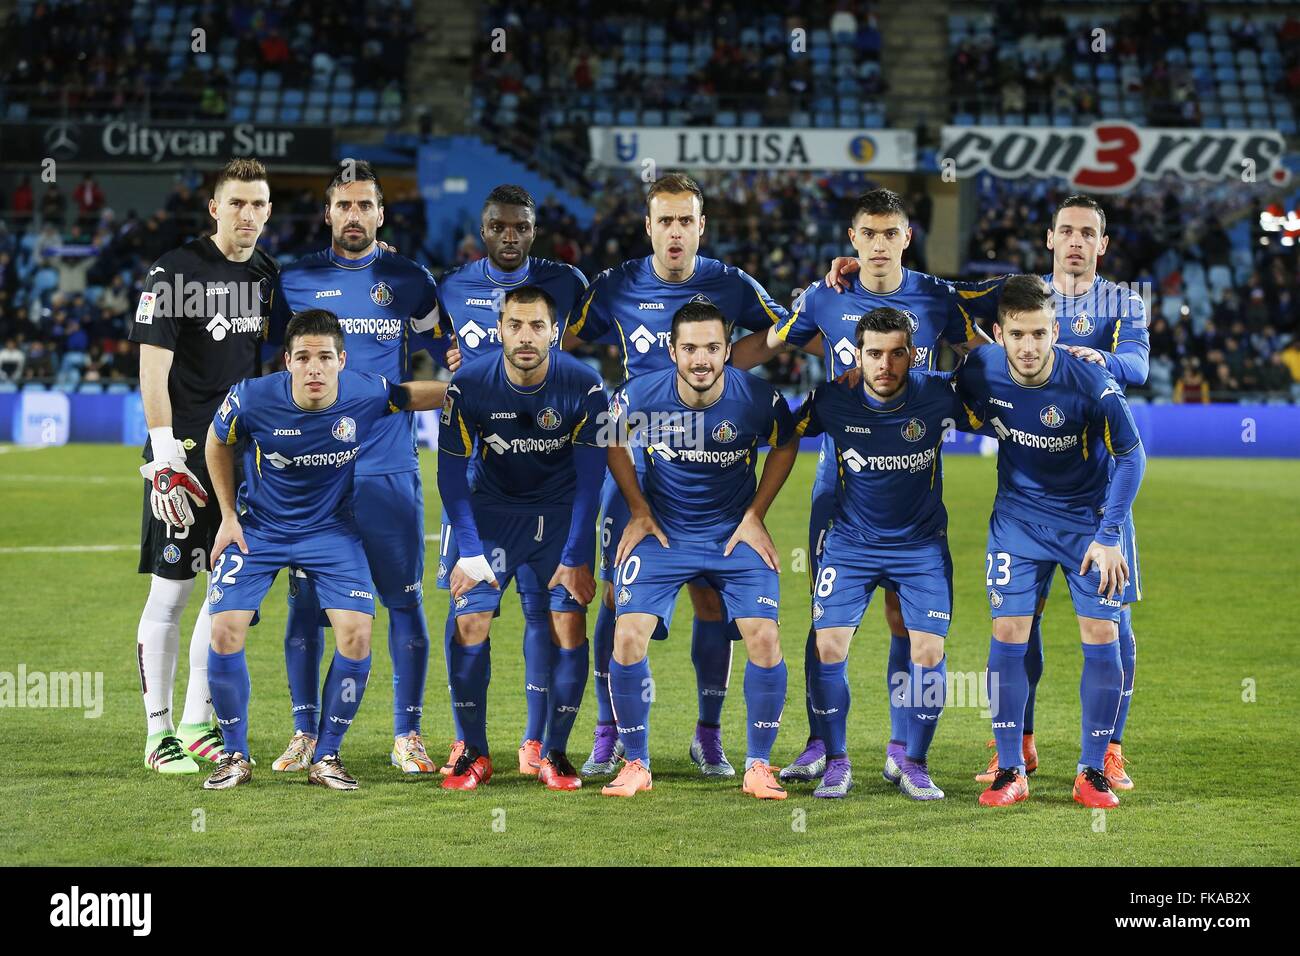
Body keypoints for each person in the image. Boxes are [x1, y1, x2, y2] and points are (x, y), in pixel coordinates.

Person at [563, 173, 806, 780]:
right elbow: (564, 338)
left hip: (713, 449)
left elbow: (782, 333)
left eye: (686, 221)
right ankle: (609, 733)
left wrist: (727, 363)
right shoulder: (615, 284)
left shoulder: (729, 283)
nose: (675, 231)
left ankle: (708, 734)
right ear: (649, 227)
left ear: (702, 226)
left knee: (711, 598)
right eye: (664, 220)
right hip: (639, 465)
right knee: (619, 600)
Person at [753, 187, 988, 785]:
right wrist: (709, 373)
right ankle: (818, 743)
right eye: (869, 235)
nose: (879, 245)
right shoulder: (824, 297)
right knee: (826, 614)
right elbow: (784, 338)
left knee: (903, 618)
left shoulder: (936, 297)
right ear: (851, 241)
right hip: (839, 472)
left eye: (891, 234)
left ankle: (902, 746)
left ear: (907, 238)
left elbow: (981, 354)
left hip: (909, 472)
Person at [948, 195, 1149, 791]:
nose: (1076, 241)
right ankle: (1016, 748)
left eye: (1088, 232)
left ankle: (1106, 751)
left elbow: (1135, 368)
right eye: (1067, 231)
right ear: (1050, 237)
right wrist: (869, 270)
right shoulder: (1018, 293)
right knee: (1016, 625)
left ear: (1101, 244)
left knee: (1113, 628)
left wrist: (1098, 359)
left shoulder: (1122, 303)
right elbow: (943, 297)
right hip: (1022, 508)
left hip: (1094, 497)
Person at [201, 309, 447, 790]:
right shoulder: (250, 398)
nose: (315, 368)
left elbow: (413, 395)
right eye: (304, 358)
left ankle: (327, 755)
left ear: (342, 361)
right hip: (260, 529)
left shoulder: (366, 391)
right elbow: (215, 443)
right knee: (225, 629)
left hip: (331, 532)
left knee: (356, 633)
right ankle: (234, 756)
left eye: (325, 358)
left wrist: (484, 386)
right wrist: (228, 517)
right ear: (287, 362)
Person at [271, 160, 449, 777]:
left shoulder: (409, 279)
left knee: (404, 601)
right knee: (303, 606)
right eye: (343, 206)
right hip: (314, 473)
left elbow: (447, 347)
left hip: (387, 465)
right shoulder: (293, 281)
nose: (354, 216)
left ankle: (408, 733)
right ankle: (304, 730)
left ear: (381, 212)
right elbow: (273, 370)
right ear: (328, 213)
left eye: (365, 205)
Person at [600, 300, 798, 800]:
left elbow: (787, 443)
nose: (701, 359)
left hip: (733, 536)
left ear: (728, 349)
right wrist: (638, 509)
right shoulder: (640, 394)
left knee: (765, 639)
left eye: (712, 347)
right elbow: (611, 438)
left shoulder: (756, 398)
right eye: (689, 348)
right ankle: (636, 761)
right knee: (626, 636)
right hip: (665, 534)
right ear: (672, 351)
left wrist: (756, 514)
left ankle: (757, 764)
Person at [776, 307, 977, 799]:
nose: (885, 365)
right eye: (873, 354)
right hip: (852, 543)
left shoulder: (937, 396)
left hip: (921, 546)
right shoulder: (831, 400)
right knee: (828, 646)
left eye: (896, 354)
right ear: (856, 356)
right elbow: (778, 435)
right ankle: (836, 759)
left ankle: (914, 761)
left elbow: (1005, 410)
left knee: (927, 652)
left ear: (912, 354)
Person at [127, 157, 279, 774]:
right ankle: (157, 732)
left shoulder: (267, 273)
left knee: (224, 594)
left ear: (269, 212)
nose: (247, 215)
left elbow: (268, 363)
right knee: (172, 592)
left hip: (239, 461)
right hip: (183, 460)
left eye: (258, 205)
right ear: (215, 207)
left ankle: (196, 722)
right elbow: (152, 366)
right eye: (236, 203)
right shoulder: (174, 272)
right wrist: (164, 452)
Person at [433, 184, 589, 778]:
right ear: (483, 227)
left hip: (553, 503)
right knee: (469, 610)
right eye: (498, 226)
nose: (509, 236)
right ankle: (470, 744)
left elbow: (587, 333)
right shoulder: (449, 285)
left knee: (550, 617)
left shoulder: (569, 283)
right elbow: (426, 335)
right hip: (486, 492)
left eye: (520, 227)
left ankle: (540, 744)